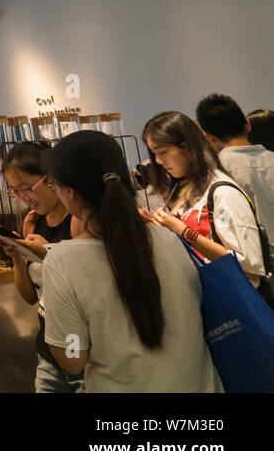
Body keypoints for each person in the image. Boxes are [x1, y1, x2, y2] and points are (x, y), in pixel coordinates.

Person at [40, 130, 221, 392]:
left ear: (69, 191)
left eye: (53, 186)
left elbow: (72, 359)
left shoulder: (62, 261)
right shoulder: (168, 239)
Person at [141, 111, 265, 285]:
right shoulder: (188, 188)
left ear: (188, 147)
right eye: (154, 154)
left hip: (227, 303)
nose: (158, 161)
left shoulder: (223, 192)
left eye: (162, 152)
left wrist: (184, 232)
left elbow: (250, 269)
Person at [0, 142, 82, 393]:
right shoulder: (32, 223)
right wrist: (17, 258)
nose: (23, 198)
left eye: (27, 188)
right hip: (48, 351)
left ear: (51, 178)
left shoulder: (79, 220)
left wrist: (48, 254)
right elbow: (31, 297)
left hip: (83, 349)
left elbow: (90, 284)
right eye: (14, 191)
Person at [196, 93, 274, 229]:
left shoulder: (216, 171)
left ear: (210, 137)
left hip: (253, 247)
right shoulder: (271, 158)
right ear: (247, 125)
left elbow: (224, 224)